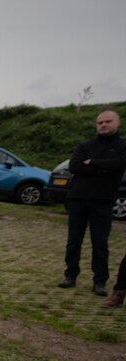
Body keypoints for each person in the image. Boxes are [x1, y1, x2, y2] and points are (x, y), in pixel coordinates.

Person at [58, 110, 126, 296]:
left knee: (100, 243)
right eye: (100, 122)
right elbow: (75, 166)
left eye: (108, 121)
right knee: (74, 241)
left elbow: (120, 164)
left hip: (103, 201)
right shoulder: (85, 145)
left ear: (118, 123)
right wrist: (104, 168)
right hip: (78, 198)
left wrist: (93, 162)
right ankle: (70, 275)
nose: (103, 125)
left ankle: (100, 281)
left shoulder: (123, 146)